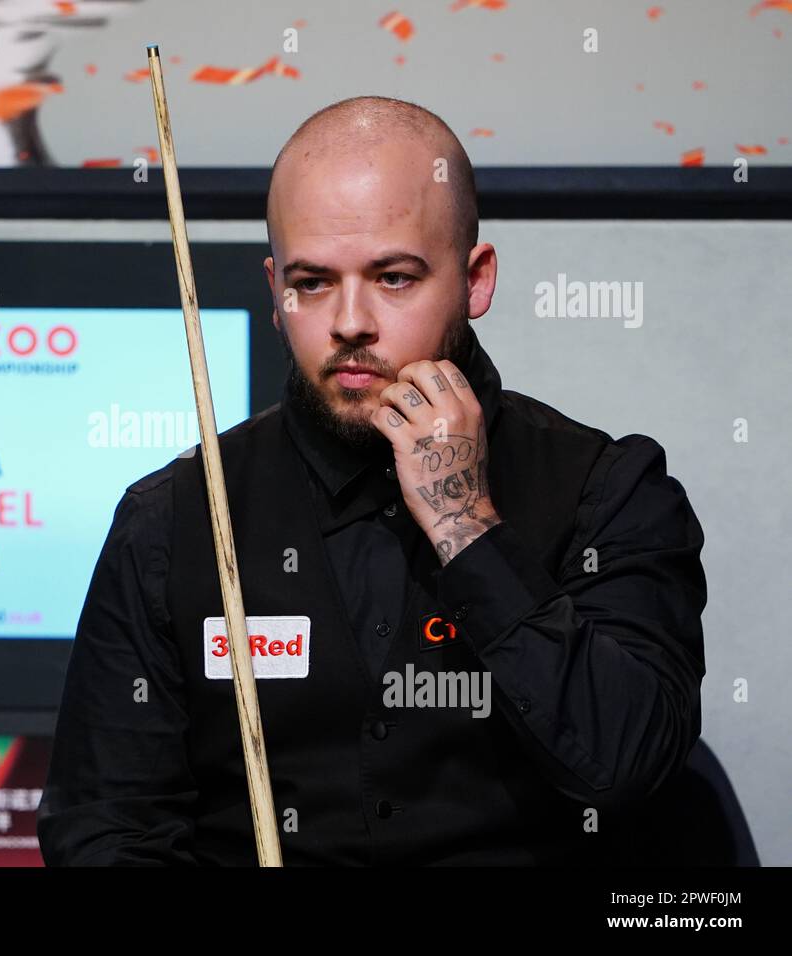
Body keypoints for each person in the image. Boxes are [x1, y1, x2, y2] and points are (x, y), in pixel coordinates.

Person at [36, 95, 707, 865]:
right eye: (314, 282)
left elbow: (628, 767)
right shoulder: (174, 517)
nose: (350, 321)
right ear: (276, 290)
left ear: (475, 279)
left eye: (393, 277)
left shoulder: (610, 490)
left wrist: (466, 526)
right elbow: (106, 828)